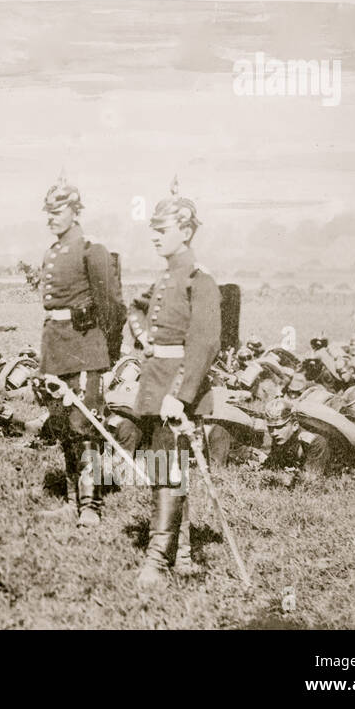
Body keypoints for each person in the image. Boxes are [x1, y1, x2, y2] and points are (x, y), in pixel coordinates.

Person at [131, 178, 221, 589]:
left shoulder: (199, 280)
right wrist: (141, 334)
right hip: (154, 386)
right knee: (164, 471)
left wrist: (180, 396)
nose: (153, 237)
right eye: (152, 229)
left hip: (176, 393)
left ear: (184, 232)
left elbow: (203, 343)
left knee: (169, 473)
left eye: (161, 230)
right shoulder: (167, 278)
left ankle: (156, 563)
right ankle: (181, 552)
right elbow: (137, 307)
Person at [34, 172, 124, 527]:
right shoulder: (53, 250)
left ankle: (91, 507)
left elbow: (112, 304)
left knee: (84, 424)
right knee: (63, 425)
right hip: (57, 346)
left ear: (76, 210)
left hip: (85, 345)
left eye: (59, 210)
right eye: (49, 211)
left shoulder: (91, 249)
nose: (52, 217)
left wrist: (108, 350)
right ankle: (72, 501)